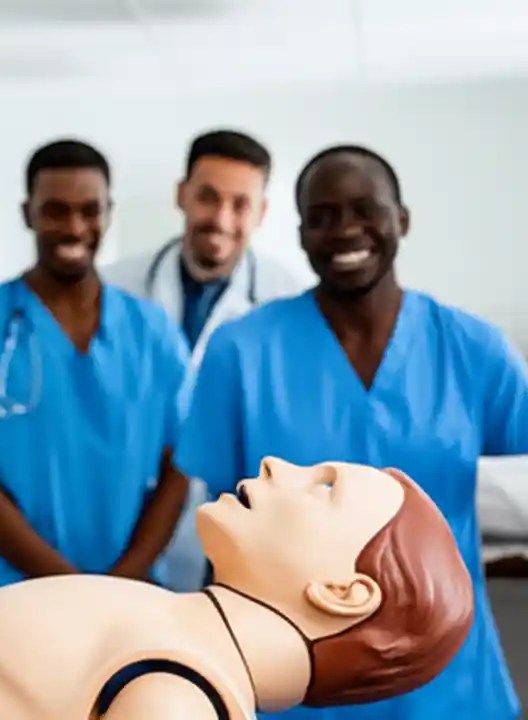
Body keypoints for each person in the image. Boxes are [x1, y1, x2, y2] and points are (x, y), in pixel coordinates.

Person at [174, 144, 528, 719]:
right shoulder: (241, 351)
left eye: (365, 210)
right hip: (293, 681)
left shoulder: (471, 347)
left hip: (451, 687)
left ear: (401, 219)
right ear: (301, 233)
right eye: (322, 216)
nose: (345, 230)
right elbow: (223, 532)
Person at [0, 459, 474, 719]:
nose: (279, 465)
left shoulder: (180, 696)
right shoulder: (175, 634)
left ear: (341, 590)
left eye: (324, 486)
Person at [0, 139, 191, 601]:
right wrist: (71, 590)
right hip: (8, 601)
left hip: (129, 599)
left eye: (89, 211)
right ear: (28, 214)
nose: (74, 227)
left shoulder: (153, 332)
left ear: (108, 213)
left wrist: (121, 584)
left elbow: (178, 472)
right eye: (55, 211)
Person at [106, 130, 310, 592]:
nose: (221, 219)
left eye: (240, 204)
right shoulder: (113, 291)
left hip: (240, 544)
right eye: (208, 197)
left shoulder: (290, 302)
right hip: (125, 531)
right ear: (182, 195)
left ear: (261, 213)